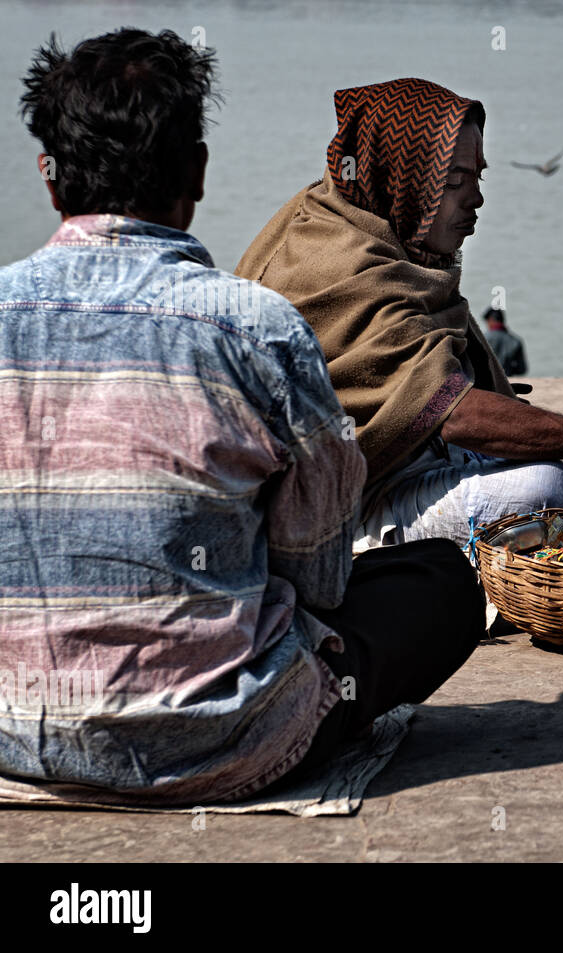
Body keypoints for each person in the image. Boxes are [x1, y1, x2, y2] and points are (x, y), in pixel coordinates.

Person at [0, 30, 484, 805]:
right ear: (196, 169)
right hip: (222, 736)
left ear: (50, 181)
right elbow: (319, 579)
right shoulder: (254, 327)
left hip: (16, 729)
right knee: (442, 583)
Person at [238, 79, 563, 545]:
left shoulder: (378, 231)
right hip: (333, 510)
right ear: (400, 178)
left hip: (410, 459)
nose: (476, 198)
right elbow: (452, 410)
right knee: (548, 490)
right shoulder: (340, 261)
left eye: (478, 177)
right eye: (454, 181)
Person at [484, 307, 527, 376]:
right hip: (507, 381)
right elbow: (522, 369)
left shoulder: (481, 339)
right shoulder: (516, 341)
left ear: (490, 320)